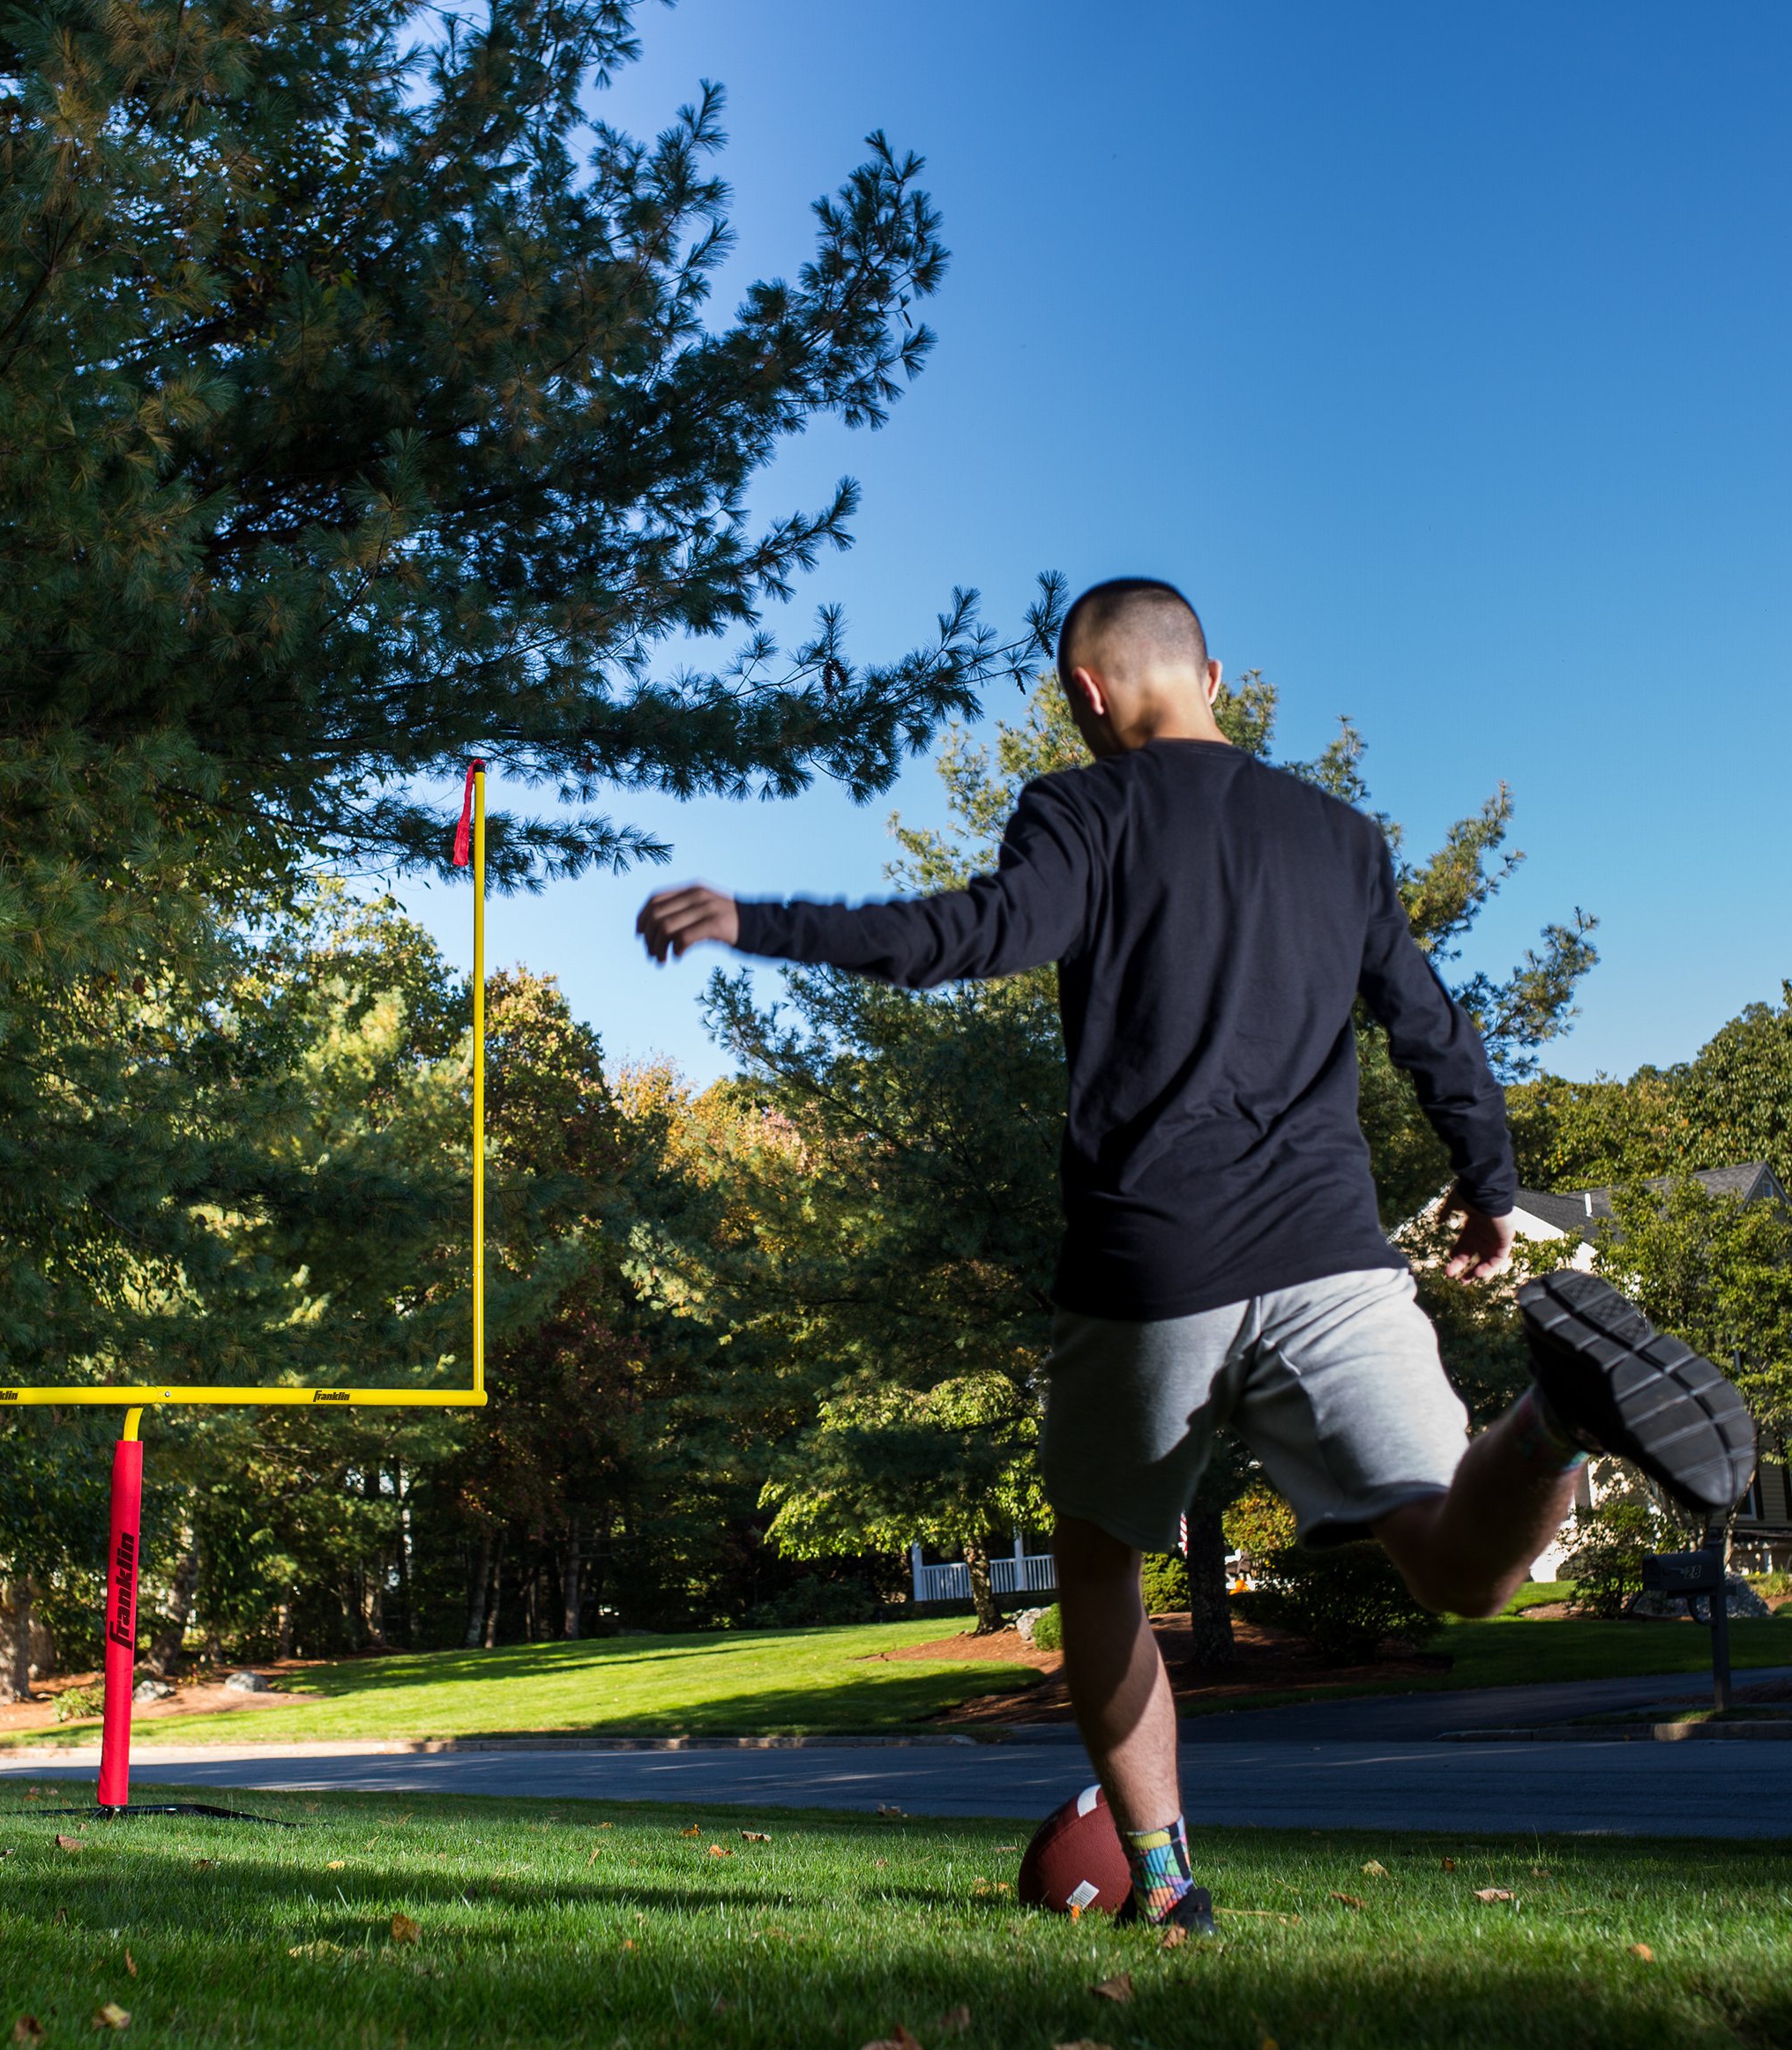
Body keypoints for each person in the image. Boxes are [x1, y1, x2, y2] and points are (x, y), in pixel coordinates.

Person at [634, 577, 1755, 1938]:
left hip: (1150, 1269)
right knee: (1459, 1567)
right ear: (1212, 676)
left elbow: (972, 936)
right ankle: (1556, 1416)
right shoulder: (1341, 837)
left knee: (1100, 1559)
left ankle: (1166, 1884)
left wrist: (764, 922)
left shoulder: (1081, 809)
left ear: (1088, 696)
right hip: (1336, 1261)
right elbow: (1432, 1026)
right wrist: (1489, 1186)